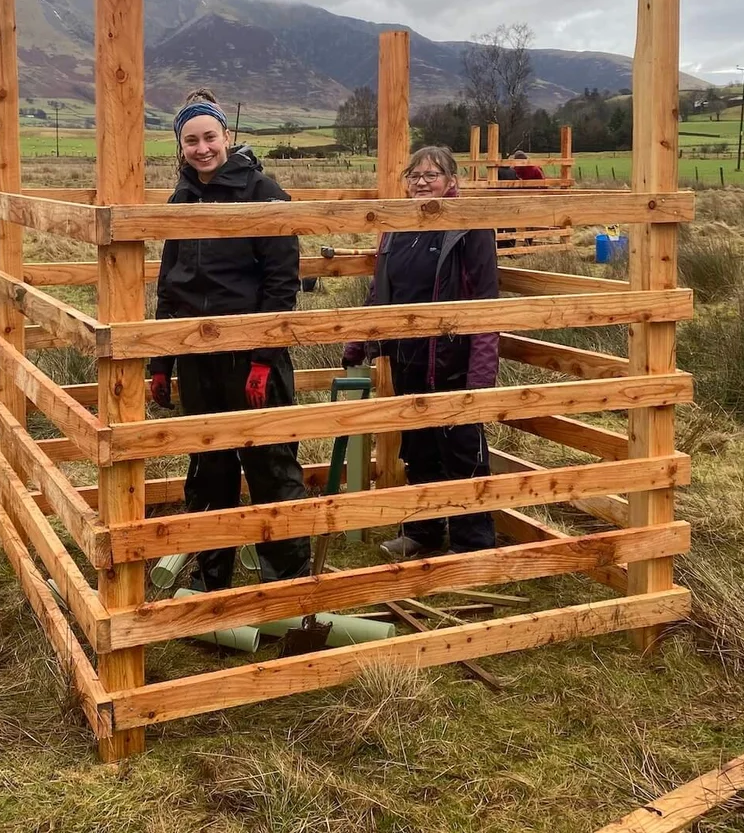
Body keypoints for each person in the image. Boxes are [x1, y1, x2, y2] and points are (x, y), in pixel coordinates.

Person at [145, 88, 311, 591]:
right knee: (208, 463)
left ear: (227, 137)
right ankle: (211, 575)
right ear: (181, 146)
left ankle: (285, 576)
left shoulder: (263, 193)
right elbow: (169, 283)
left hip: (250, 354)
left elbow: (282, 282)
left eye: (209, 137)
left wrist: (263, 356)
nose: (202, 148)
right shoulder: (181, 198)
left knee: (269, 461)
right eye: (191, 140)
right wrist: (162, 362)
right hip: (198, 356)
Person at [342, 145, 499, 560]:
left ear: (452, 182)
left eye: (432, 175)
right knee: (419, 449)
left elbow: (485, 302)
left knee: (462, 453)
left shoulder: (469, 228)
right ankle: (423, 533)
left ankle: (472, 545)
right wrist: (359, 339)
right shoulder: (396, 226)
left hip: (453, 360)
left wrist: (480, 377)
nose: (422, 182)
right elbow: (380, 290)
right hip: (407, 358)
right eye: (414, 175)